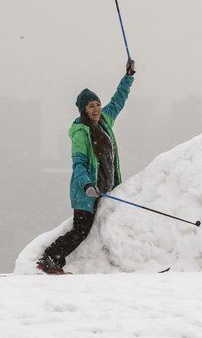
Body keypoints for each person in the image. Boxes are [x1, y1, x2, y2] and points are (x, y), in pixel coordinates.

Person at [36, 59, 136, 274]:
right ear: (84, 110)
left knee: (89, 228)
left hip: (105, 187)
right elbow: (79, 164)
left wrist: (128, 77)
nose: (97, 108)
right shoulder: (80, 133)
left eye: (97, 104)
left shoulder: (105, 121)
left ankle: (53, 259)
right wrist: (87, 185)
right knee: (81, 230)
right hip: (86, 191)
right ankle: (51, 258)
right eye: (91, 106)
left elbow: (118, 100)